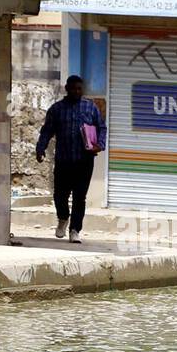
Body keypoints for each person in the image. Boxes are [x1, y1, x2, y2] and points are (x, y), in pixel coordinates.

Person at [35, 75, 106, 244]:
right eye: (73, 88)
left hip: (84, 160)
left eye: (79, 88)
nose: (76, 91)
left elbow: (101, 127)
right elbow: (47, 131)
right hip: (64, 159)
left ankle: (75, 230)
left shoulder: (90, 108)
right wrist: (40, 148)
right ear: (67, 89)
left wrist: (99, 145)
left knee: (79, 197)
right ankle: (63, 218)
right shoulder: (57, 109)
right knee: (60, 195)